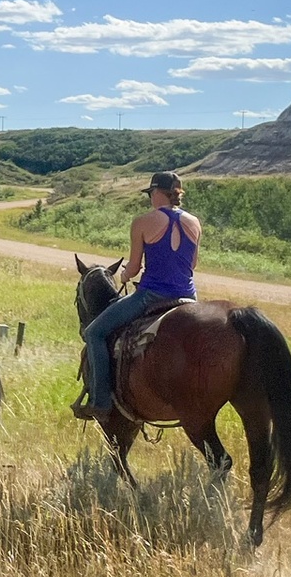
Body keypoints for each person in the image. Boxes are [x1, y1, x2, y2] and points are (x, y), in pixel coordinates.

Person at [75, 171, 203, 423]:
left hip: (152, 296)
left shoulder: (143, 222)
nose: (150, 198)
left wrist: (125, 275)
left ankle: (100, 402)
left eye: (150, 193)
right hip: (188, 296)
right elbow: (193, 264)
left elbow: (133, 267)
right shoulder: (194, 222)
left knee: (95, 333)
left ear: (156, 193)